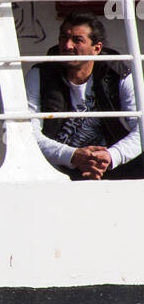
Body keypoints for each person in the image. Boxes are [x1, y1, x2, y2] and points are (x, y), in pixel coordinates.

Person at [26, 11, 143, 179]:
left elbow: (142, 128)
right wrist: (72, 156)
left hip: (110, 166)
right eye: (63, 38)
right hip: (58, 169)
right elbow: (28, 132)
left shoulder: (119, 74)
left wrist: (110, 156)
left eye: (77, 40)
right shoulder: (40, 74)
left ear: (97, 48)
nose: (67, 46)